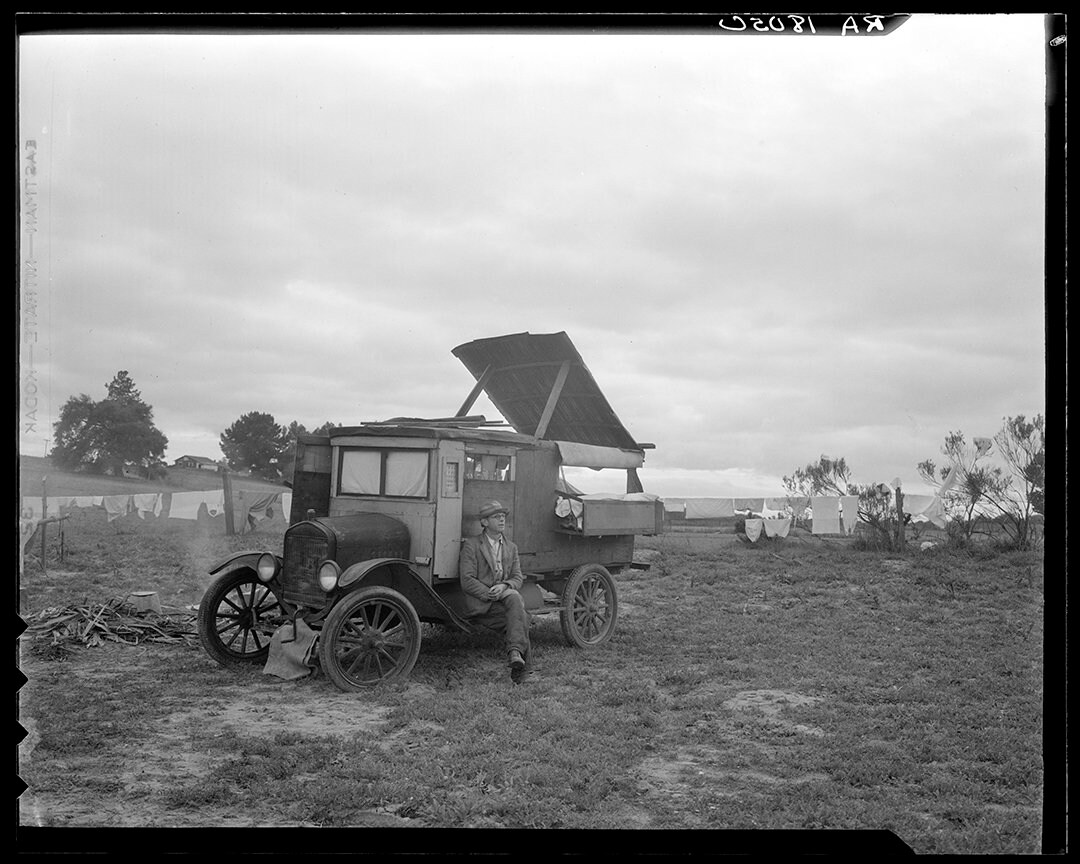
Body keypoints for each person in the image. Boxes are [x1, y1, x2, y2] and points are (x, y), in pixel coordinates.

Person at [458, 500, 531, 683]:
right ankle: (521, 669)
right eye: (496, 517)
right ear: (484, 522)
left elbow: (517, 577)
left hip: (504, 598)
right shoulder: (472, 545)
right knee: (521, 617)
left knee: (515, 601)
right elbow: (467, 580)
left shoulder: (511, 547)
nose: (501, 520)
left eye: (503, 516)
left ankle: (516, 657)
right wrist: (489, 592)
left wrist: (504, 586)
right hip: (482, 604)